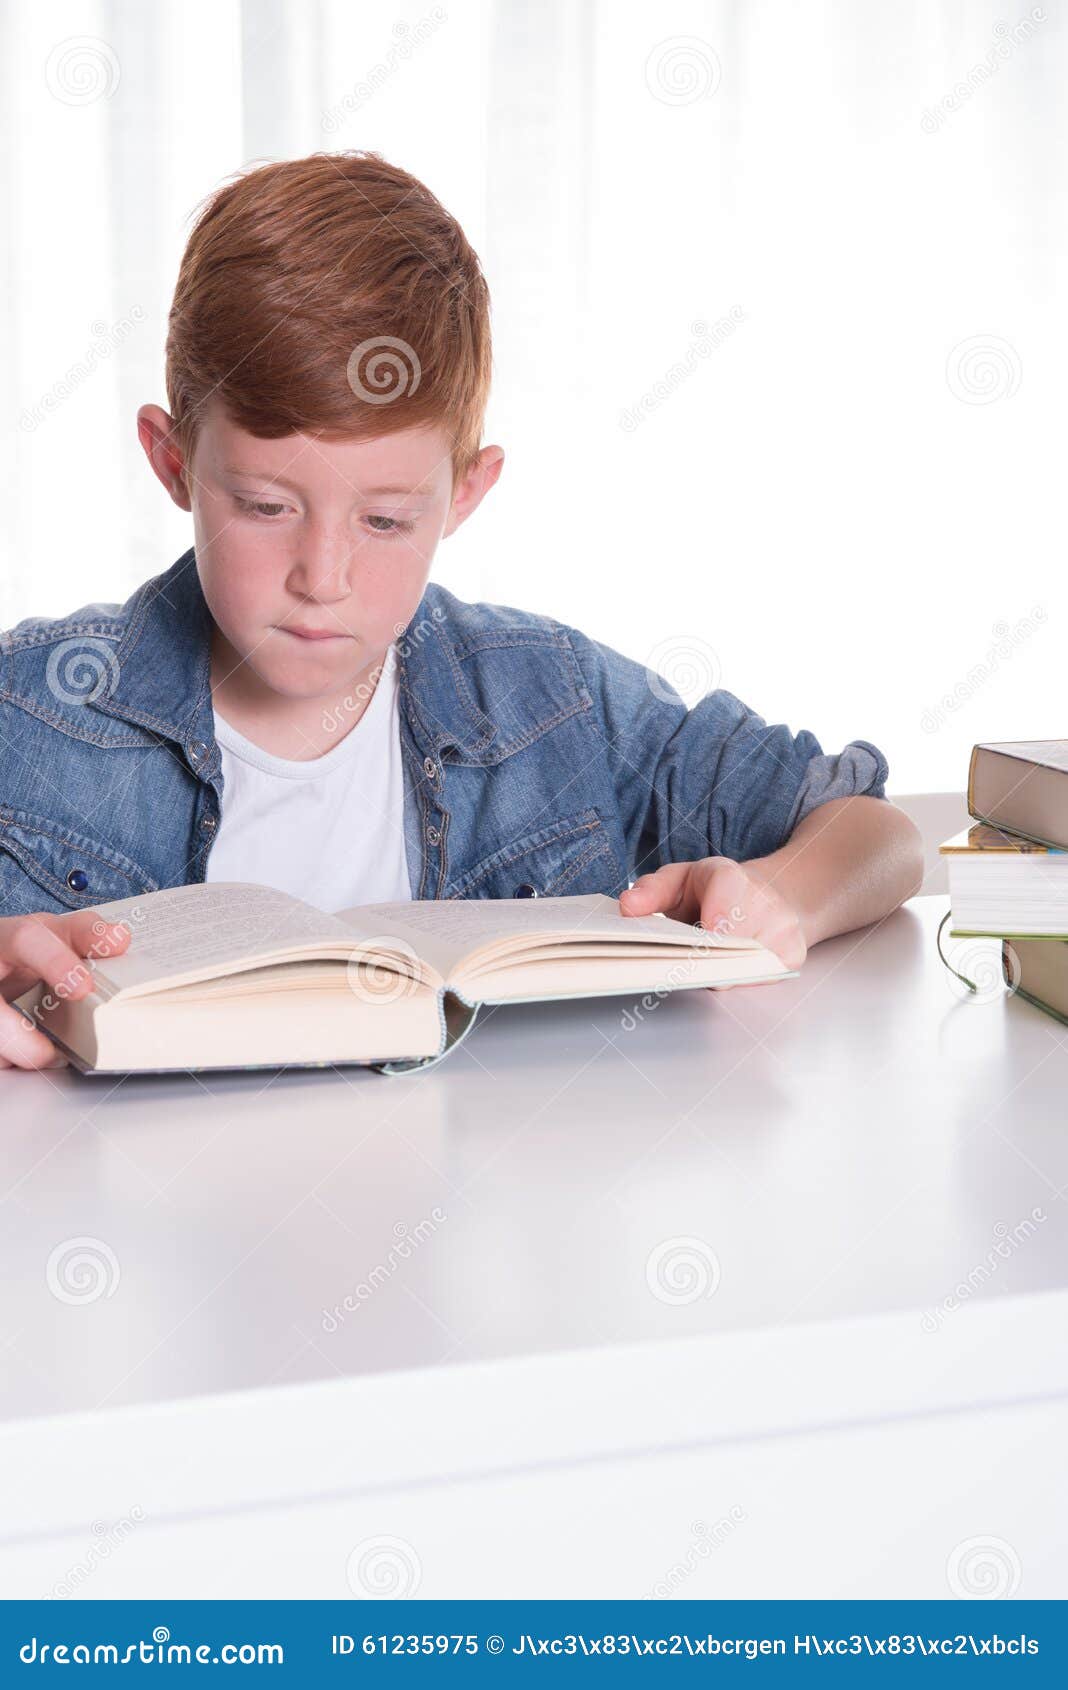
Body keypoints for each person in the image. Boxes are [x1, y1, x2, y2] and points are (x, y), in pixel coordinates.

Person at [0, 151, 922, 1070]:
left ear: (465, 494)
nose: (324, 574)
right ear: (173, 464)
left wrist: (780, 894)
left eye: (387, 519)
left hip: (463, 1201)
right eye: (267, 507)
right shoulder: (30, 714)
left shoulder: (550, 701)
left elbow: (875, 832)